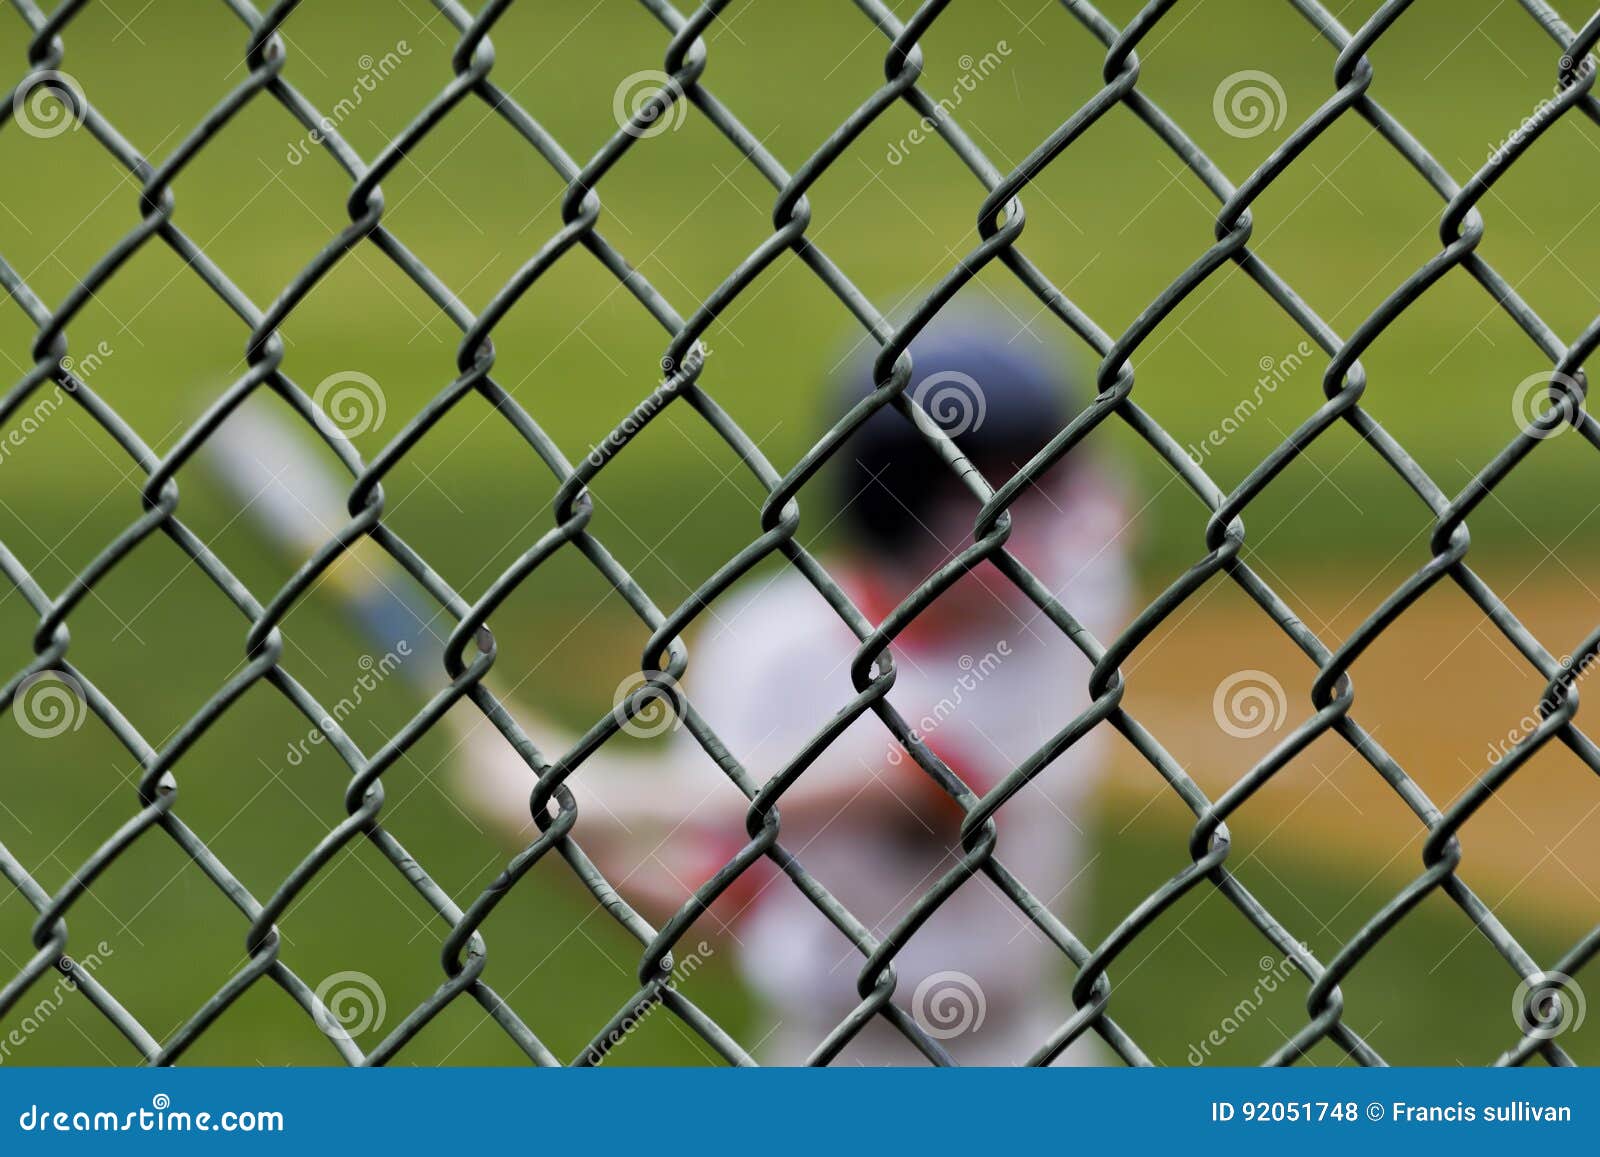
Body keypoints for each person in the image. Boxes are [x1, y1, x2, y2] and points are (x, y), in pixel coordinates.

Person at [210, 303, 1132, 1065]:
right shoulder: (771, 642)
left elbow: (919, 781)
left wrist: (599, 788)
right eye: (1004, 499)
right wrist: (562, 836)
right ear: (894, 509)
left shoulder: (1052, 626)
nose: (1042, 530)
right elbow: (714, 908)